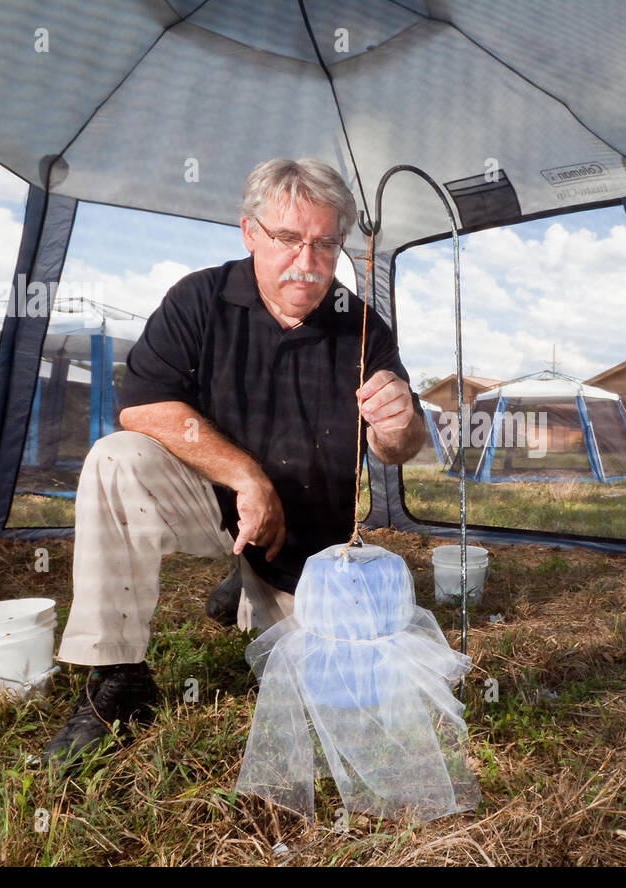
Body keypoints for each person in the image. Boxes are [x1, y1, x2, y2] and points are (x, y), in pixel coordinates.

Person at [43, 158, 428, 768]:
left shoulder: (361, 328)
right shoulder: (199, 298)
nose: (308, 262)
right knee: (116, 460)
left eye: (326, 244)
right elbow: (142, 408)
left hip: (307, 538)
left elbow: (397, 449)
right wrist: (249, 478)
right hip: (211, 499)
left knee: (327, 676)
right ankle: (116, 676)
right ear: (250, 232)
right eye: (288, 239)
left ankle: (248, 584)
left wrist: (400, 422)